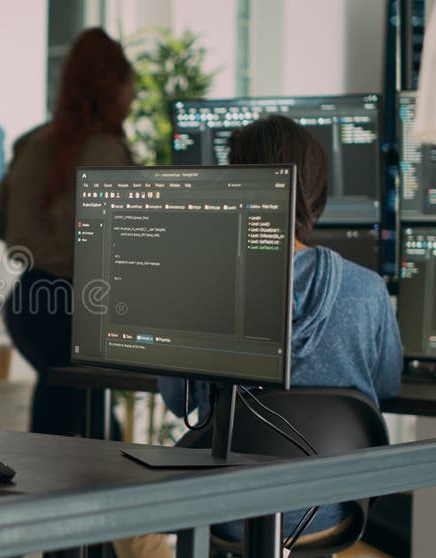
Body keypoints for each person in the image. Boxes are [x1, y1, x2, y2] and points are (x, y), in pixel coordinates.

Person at [123, 115, 403, 558]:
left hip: (228, 512)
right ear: (319, 192)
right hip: (332, 509)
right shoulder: (367, 289)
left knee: (119, 513)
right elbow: (384, 387)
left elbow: (180, 402)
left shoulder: (202, 287)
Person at [0, 28, 136, 437]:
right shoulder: (106, 150)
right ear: (114, 90)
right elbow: (127, 236)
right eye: (130, 93)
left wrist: (32, 244)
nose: (131, 102)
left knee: (61, 409)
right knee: (91, 430)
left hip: (30, 299)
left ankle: (46, 496)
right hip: (77, 305)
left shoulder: (34, 140)